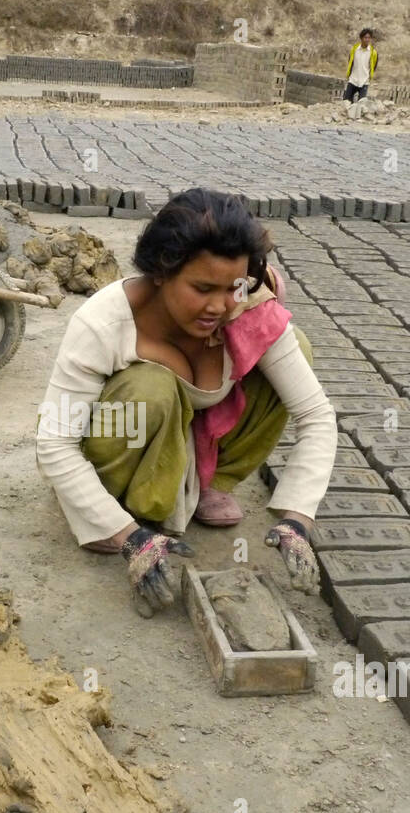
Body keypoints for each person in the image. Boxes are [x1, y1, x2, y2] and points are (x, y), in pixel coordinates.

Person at [35, 188, 337, 616]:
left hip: (194, 438)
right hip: (126, 444)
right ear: (161, 272)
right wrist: (129, 538)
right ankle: (115, 509)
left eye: (233, 286)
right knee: (149, 391)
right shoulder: (103, 323)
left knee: (297, 348)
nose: (219, 305)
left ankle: (210, 485)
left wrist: (298, 520)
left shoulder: (248, 308)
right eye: (201, 288)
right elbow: (54, 442)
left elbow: (317, 415)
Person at [344, 28, 378, 103]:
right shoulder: (354, 49)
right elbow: (350, 62)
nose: (367, 40)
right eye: (365, 37)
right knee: (346, 102)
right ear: (361, 38)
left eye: (369, 38)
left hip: (364, 81)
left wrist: (369, 76)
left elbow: (373, 66)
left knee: (361, 105)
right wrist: (348, 74)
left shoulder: (373, 52)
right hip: (353, 80)